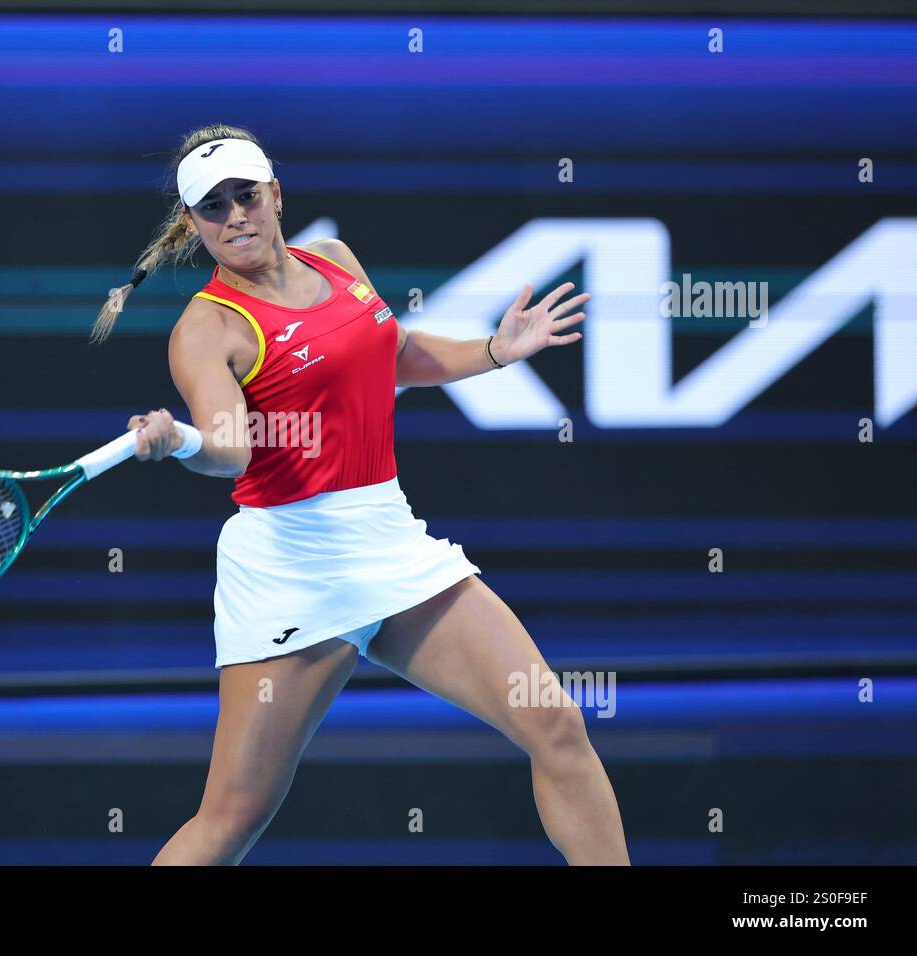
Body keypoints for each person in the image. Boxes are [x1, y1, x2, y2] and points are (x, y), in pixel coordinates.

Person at [91, 124, 630, 866]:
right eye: (212, 208)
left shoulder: (337, 262)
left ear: (275, 193)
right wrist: (178, 439)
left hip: (388, 535)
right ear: (194, 225)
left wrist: (497, 351)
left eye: (245, 196)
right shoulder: (206, 329)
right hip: (291, 562)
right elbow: (230, 449)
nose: (235, 217)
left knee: (557, 723)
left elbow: (393, 355)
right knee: (230, 820)